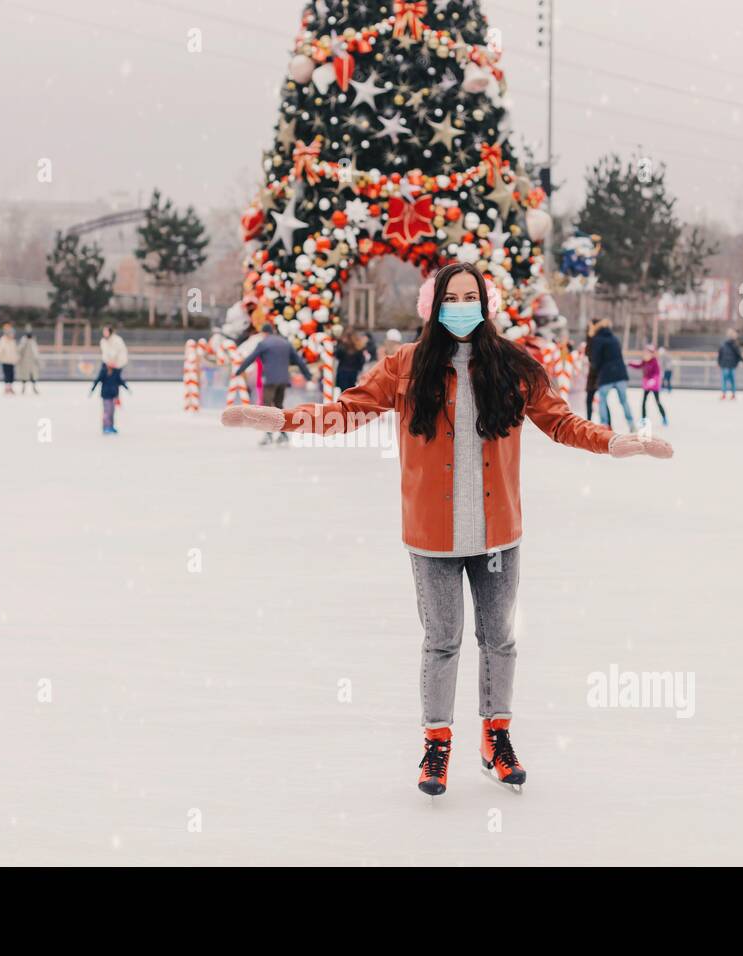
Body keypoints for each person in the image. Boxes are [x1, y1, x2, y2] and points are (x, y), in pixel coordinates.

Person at [220, 263, 673, 797]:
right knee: (441, 642)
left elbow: (561, 422)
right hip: (431, 536)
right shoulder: (406, 366)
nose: (461, 306)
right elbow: (350, 412)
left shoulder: (513, 366)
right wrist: (285, 420)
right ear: (434, 307)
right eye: (451, 297)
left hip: (498, 535)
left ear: (486, 303)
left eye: (470, 296)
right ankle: (437, 745)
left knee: (499, 639)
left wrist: (615, 441)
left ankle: (494, 737)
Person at [234, 323, 313, 446]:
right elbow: (298, 360)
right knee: (279, 406)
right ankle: (283, 434)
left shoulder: (264, 343)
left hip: (270, 380)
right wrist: (308, 375)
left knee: (267, 407)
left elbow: (251, 358)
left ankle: (268, 434)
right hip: (283, 380)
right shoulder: (285, 343)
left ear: (264, 333)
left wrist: (239, 371)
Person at [589, 319, 636, 431]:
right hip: (620, 374)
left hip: (606, 375)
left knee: (603, 400)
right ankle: (631, 424)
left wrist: (596, 369)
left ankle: (604, 425)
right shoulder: (614, 338)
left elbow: (595, 360)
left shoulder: (597, 340)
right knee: (624, 401)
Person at [628, 345, 668, 427]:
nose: (645, 355)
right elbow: (639, 365)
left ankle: (664, 417)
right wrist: (630, 364)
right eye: (645, 353)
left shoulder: (654, 362)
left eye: (647, 353)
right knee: (643, 402)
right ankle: (643, 419)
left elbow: (657, 374)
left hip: (654, 386)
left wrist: (653, 380)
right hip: (647, 385)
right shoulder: (644, 361)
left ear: (652, 354)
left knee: (657, 402)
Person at [91, 363, 131, 434]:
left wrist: (127, 388)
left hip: (113, 395)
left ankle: (111, 426)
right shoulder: (103, 371)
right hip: (106, 395)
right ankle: (106, 427)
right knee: (107, 411)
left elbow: (120, 381)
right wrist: (92, 389)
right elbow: (97, 380)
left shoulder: (116, 372)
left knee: (112, 411)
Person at [717, 328, 743, 400]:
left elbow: (720, 355)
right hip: (731, 365)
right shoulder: (734, 345)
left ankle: (725, 394)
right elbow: (738, 355)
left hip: (726, 365)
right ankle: (732, 394)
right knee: (732, 380)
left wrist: (719, 363)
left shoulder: (724, 344)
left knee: (725, 380)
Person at [583, 319, 602, 420]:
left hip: (599, 373)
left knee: (602, 400)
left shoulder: (598, 339)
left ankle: (607, 422)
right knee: (589, 399)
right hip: (593, 373)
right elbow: (587, 353)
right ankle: (589, 420)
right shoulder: (590, 339)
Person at [0, 322, 20, 394]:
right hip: (5, 361)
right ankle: (7, 387)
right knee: (6, 374)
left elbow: (15, 351)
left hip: (12, 361)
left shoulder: (13, 341)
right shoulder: (3, 340)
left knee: (11, 375)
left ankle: (10, 387)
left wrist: (17, 358)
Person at [16, 330, 41, 394]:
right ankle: (23, 387)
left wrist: (37, 361)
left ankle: (34, 387)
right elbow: (19, 350)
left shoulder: (33, 342)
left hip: (32, 362)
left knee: (33, 376)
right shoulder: (23, 342)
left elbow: (36, 353)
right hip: (25, 362)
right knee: (24, 375)